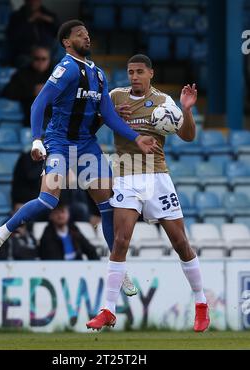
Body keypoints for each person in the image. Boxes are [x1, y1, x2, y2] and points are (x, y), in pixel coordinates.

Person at [0, 21, 157, 296]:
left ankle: (117, 267)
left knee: (109, 205)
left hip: (86, 145)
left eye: (87, 33)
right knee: (48, 201)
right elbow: (39, 104)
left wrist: (135, 138)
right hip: (59, 142)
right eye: (79, 34)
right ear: (66, 42)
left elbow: (109, 115)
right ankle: (1, 233)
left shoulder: (98, 75)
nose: (86, 36)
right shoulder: (65, 69)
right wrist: (37, 139)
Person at [86, 54, 210, 332]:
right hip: (126, 176)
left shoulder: (165, 103)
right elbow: (90, 121)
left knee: (180, 243)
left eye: (140, 71)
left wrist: (187, 110)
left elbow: (188, 136)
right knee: (120, 241)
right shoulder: (116, 97)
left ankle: (201, 304)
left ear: (151, 73)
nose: (134, 76)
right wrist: (111, 116)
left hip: (157, 178)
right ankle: (108, 309)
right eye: (131, 72)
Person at [3, 45, 53, 125]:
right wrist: (32, 91)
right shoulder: (22, 74)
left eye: (44, 59)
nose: (40, 62)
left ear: (49, 60)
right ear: (31, 59)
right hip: (32, 117)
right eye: (37, 58)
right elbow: (7, 92)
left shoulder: (58, 74)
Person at [6, 0, 58, 67]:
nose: (33, 2)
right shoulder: (16, 16)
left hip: (48, 51)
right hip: (26, 52)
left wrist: (50, 20)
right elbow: (12, 36)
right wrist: (28, 21)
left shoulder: (49, 15)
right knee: (24, 62)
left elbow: (60, 33)